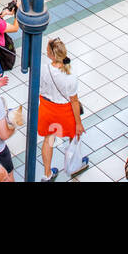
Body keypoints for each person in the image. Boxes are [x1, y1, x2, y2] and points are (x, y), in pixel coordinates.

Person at [38, 38, 85, 181]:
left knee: (49, 139)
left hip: (47, 108)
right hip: (64, 111)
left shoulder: (43, 69)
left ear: (52, 55)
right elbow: (74, 101)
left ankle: (47, 174)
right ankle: (74, 165)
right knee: (73, 136)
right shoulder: (70, 76)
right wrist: (78, 123)